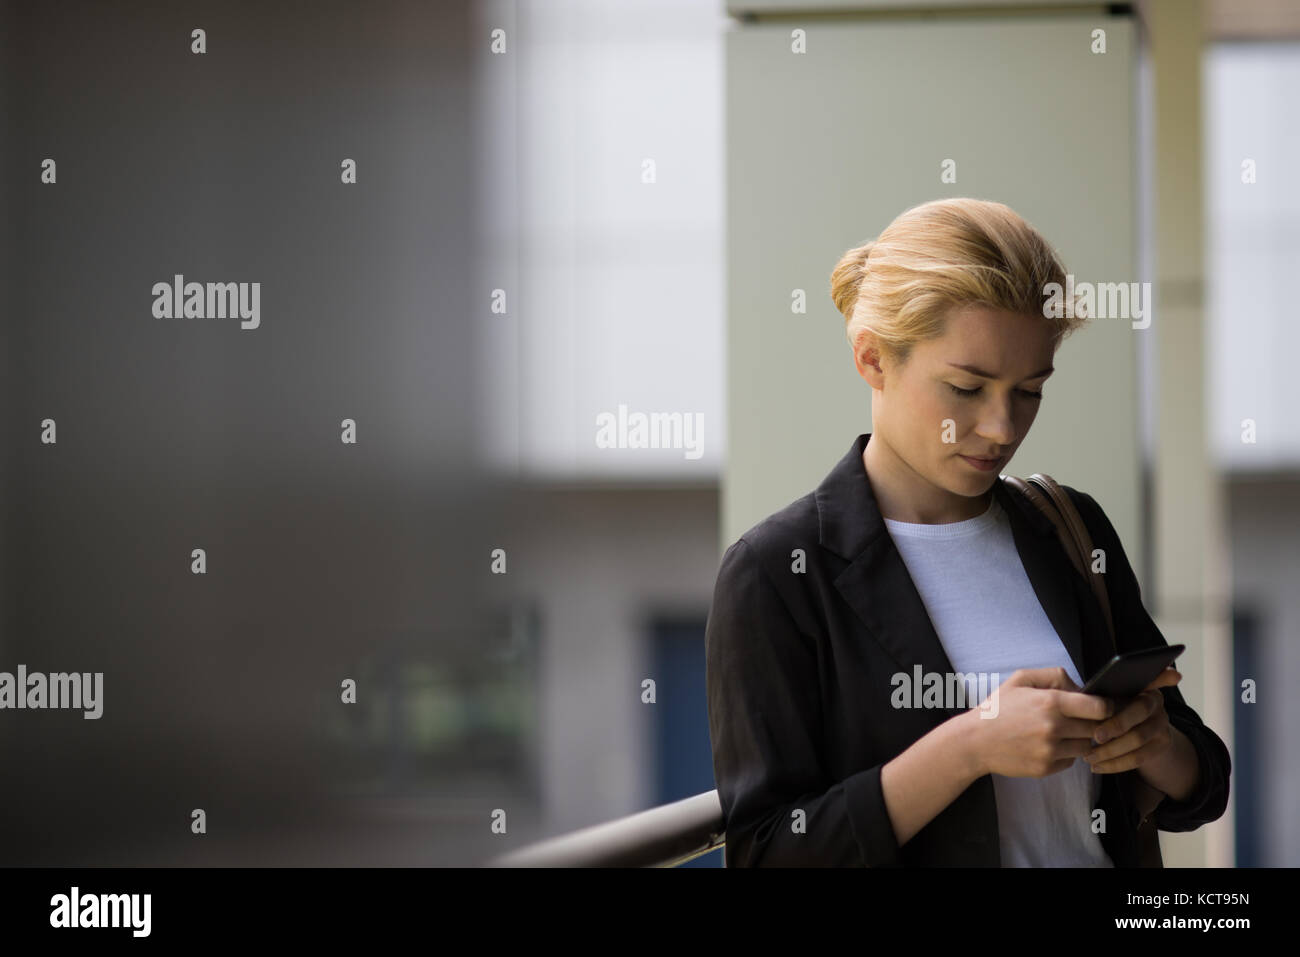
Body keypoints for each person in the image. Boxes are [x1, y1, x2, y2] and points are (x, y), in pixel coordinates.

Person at [704, 197, 1231, 867]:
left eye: (1029, 390)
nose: (1002, 428)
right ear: (872, 360)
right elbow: (768, 853)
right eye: (966, 387)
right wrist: (969, 746)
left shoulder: (1069, 526)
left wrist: (1156, 745)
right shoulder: (776, 573)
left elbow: (1205, 782)